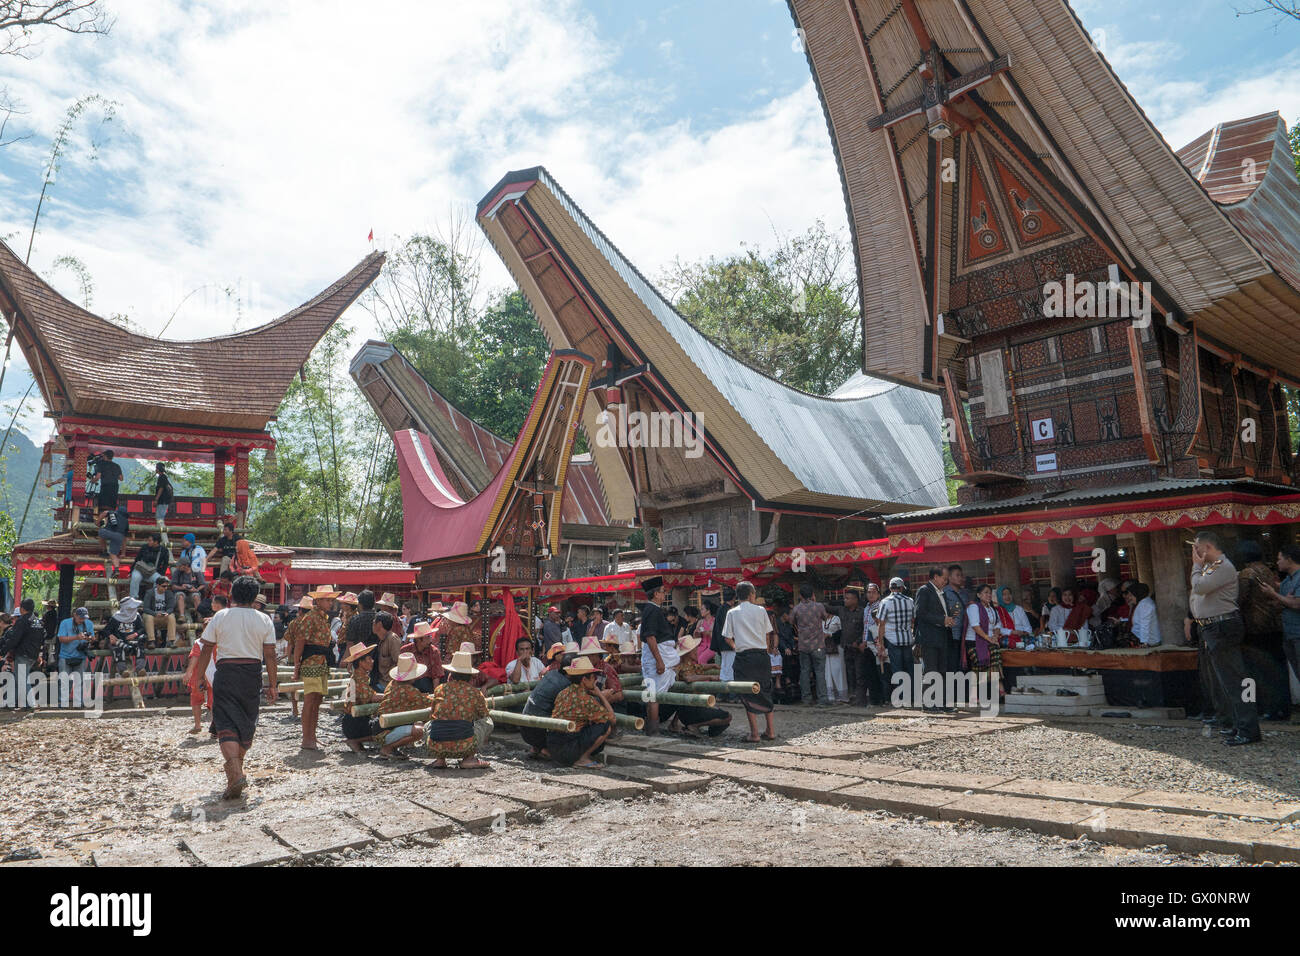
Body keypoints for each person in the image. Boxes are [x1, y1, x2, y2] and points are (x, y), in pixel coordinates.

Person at [192, 576, 278, 799]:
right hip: (252, 675)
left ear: (232, 595)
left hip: (227, 673)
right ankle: (236, 773)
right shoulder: (264, 620)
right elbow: (270, 654)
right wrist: (273, 685)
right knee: (246, 722)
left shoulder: (220, 616)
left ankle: (236, 773)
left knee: (226, 723)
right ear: (254, 596)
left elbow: (206, 648)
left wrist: (199, 676)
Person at [1188, 530, 1259, 746]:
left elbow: (1199, 587)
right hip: (1212, 626)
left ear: (1208, 547)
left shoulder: (1222, 566)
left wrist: (1195, 566)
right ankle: (1237, 724)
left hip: (1222, 625)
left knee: (1234, 680)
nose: (1195, 552)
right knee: (1223, 682)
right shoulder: (1212, 567)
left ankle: (1249, 729)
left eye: (1197, 548)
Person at [721, 581, 777, 741]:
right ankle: (770, 731)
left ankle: (754, 734)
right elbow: (768, 634)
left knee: (747, 693)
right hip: (761, 655)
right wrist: (765, 649)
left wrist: (736, 647)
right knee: (765, 690)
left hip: (744, 656)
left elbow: (727, 638)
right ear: (752, 594)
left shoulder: (732, 613)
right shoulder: (761, 610)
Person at [427, 645, 491, 769]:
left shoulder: (439, 689)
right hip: (464, 745)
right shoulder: (474, 693)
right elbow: (484, 714)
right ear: (470, 675)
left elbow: (432, 713)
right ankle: (469, 758)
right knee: (487, 722)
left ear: (451, 673)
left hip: (436, 746)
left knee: (428, 724)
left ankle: (440, 759)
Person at [546, 656, 616, 767]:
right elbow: (612, 718)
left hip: (552, 746)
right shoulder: (585, 700)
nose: (595, 680)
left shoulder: (563, 692)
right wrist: (600, 695)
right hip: (567, 750)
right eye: (593, 677)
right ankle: (582, 759)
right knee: (605, 725)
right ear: (584, 680)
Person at [292, 587, 338, 752]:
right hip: (311, 663)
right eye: (327, 600)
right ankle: (306, 738)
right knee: (310, 701)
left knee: (317, 701)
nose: (330, 603)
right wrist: (296, 666)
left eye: (331, 600)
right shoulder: (310, 617)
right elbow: (300, 642)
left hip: (322, 662)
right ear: (317, 601)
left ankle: (313, 736)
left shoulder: (323, 617)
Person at [1261, 543, 1300, 718]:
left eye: (1279, 558)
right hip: (1289, 633)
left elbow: (1295, 604)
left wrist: (1274, 594)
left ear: (1289, 559)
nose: (1277, 562)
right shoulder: (1287, 581)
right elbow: (1286, 603)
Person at [668, 633, 732, 737]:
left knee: (720, 714)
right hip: (692, 711)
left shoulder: (684, 666)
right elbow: (689, 678)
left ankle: (679, 724)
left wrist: (712, 665)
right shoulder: (685, 669)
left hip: (683, 712)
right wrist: (710, 677)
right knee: (727, 717)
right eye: (695, 649)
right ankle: (694, 725)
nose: (697, 651)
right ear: (688, 653)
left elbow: (700, 667)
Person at [637, 576, 678, 736]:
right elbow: (650, 637)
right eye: (663, 591)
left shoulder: (651, 609)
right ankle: (653, 730)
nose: (665, 594)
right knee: (654, 695)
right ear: (655, 594)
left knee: (653, 692)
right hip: (657, 657)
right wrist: (660, 661)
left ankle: (652, 727)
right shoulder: (652, 610)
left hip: (656, 655)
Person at [913, 566, 955, 712]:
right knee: (931, 670)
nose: (946, 581)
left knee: (943, 670)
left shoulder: (941, 593)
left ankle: (942, 703)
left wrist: (948, 620)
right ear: (935, 577)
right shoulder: (924, 590)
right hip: (929, 638)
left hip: (942, 637)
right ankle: (929, 703)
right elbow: (920, 613)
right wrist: (941, 620)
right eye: (944, 578)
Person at [520, 646, 574, 758]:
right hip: (539, 731)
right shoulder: (566, 686)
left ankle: (537, 747)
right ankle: (546, 748)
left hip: (524, 727)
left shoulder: (551, 673)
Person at [376, 652, 430, 760]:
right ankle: (388, 748)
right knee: (420, 731)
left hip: (379, 728)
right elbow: (427, 702)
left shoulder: (392, 683)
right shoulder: (408, 690)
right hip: (386, 732)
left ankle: (396, 745)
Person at [963, 584, 1004, 705]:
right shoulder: (974, 607)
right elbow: (975, 626)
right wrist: (989, 638)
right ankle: (977, 694)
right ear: (978, 595)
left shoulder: (992, 609)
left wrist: (995, 637)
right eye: (985, 592)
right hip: (974, 642)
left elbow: (997, 625)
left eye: (990, 593)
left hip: (988, 640)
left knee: (994, 660)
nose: (989, 595)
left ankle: (999, 690)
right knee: (980, 666)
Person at [339, 641, 381, 753]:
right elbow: (373, 697)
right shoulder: (358, 679)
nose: (372, 661)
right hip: (354, 723)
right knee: (383, 729)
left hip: (355, 720)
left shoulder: (360, 677)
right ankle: (355, 741)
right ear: (361, 662)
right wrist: (391, 696)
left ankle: (357, 741)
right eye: (369, 659)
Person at [791, 583, 828, 705]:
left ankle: (806, 699)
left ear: (800, 595)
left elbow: (791, 621)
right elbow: (825, 617)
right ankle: (822, 699)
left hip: (803, 645)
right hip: (818, 644)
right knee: (820, 672)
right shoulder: (819, 606)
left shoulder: (796, 609)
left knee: (805, 672)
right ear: (812, 594)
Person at [876, 576, 916, 684]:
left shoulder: (885, 602)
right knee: (909, 669)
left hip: (893, 641)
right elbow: (913, 620)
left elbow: (881, 624)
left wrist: (880, 643)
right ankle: (912, 696)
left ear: (890, 588)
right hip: (908, 640)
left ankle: (902, 697)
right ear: (902, 588)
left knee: (897, 670)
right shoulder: (910, 601)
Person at [0, 598, 44, 691]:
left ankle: (29, 703)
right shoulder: (38, 622)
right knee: (20, 678)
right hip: (33, 654)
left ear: (22, 608)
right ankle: (13, 701)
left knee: (21, 680)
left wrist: (3, 651)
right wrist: (39, 654)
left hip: (23, 654)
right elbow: (42, 638)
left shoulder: (23, 620)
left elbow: (14, 638)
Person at [181, 622, 216, 735]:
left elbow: (195, 657)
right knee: (204, 700)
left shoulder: (200, 642)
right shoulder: (202, 642)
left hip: (206, 674)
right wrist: (189, 672)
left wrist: (188, 672)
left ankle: (200, 725)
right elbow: (195, 657)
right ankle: (207, 726)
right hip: (210, 674)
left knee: (202, 700)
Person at [55, 606, 93, 708]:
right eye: (80, 618)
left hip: (80, 656)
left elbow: (93, 637)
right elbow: (61, 639)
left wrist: (89, 638)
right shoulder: (65, 623)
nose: (82, 620)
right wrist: (76, 637)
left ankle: (78, 703)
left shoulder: (89, 623)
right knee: (64, 681)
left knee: (79, 681)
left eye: (84, 618)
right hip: (65, 656)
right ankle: (63, 703)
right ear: (74, 615)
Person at [400, 619, 445, 693]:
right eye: (427, 637)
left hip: (427, 686)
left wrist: (434, 694)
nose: (430, 640)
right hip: (409, 686)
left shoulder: (434, 651)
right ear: (418, 639)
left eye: (430, 637)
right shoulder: (405, 650)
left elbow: (436, 676)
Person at [943, 565, 971, 673]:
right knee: (953, 664)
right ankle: (953, 688)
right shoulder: (944, 592)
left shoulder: (965, 593)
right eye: (957, 575)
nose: (961, 578)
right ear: (949, 577)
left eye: (961, 575)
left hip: (965, 634)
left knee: (964, 665)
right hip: (952, 634)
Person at [129, 532, 171, 601]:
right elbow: (137, 559)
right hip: (140, 569)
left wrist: (161, 574)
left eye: (150, 540)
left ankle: (153, 599)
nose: (148, 542)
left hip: (153, 572)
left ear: (156, 542)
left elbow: (165, 564)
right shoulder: (144, 547)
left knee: (159, 580)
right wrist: (131, 571)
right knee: (135, 577)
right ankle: (133, 599)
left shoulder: (164, 550)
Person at [373, 611, 404, 693]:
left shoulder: (392, 639)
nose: (372, 624)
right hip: (381, 682)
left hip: (388, 686)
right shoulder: (381, 639)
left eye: (374, 622)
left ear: (379, 624)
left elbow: (400, 664)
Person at [142, 576, 178, 646]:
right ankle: (151, 641)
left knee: (171, 616)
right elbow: (145, 608)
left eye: (167, 586)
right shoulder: (150, 593)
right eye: (164, 586)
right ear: (157, 585)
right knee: (148, 617)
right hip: (153, 616)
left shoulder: (169, 593)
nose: (166, 588)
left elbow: (171, 607)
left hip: (164, 617)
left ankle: (171, 641)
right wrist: (155, 614)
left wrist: (167, 613)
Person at [822, 607, 847, 704]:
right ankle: (831, 696)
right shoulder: (822, 621)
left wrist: (830, 635)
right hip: (826, 648)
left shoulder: (836, 619)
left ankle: (842, 696)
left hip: (837, 647)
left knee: (838, 670)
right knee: (827, 672)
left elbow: (842, 632)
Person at [97, 505, 129, 575]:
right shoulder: (126, 522)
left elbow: (104, 513)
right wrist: (123, 553)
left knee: (101, 532)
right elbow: (124, 540)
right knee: (113, 554)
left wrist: (98, 522)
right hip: (119, 536)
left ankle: (104, 551)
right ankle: (116, 570)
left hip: (108, 532)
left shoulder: (113, 513)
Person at [1126, 582, 1161, 646]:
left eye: (1131, 595)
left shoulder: (1145, 605)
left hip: (1150, 641)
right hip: (1147, 639)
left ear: (1137, 594)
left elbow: (1144, 624)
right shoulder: (1144, 603)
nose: (1129, 598)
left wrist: (1144, 642)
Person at [153, 463, 174, 527]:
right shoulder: (164, 477)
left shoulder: (162, 477)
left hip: (162, 501)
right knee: (159, 517)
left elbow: (161, 489)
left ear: (158, 469)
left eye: (156, 468)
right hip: (164, 501)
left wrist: (156, 499)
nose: (155, 469)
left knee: (160, 518)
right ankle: (160, 534)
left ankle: (163, 534)